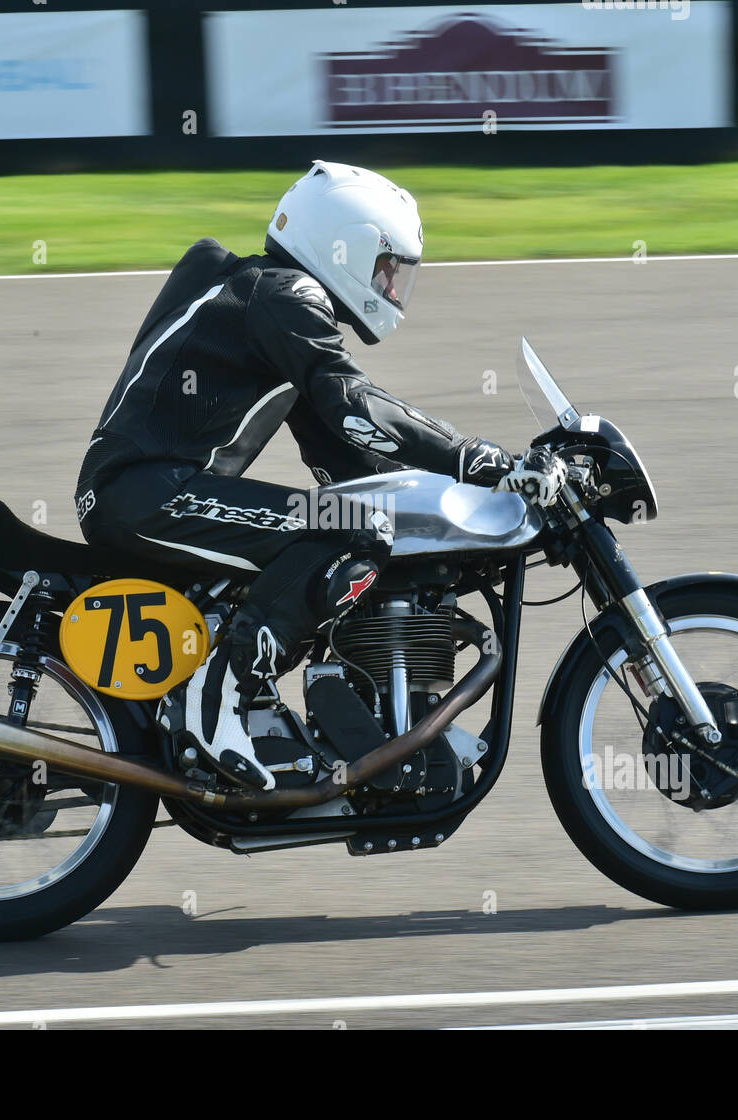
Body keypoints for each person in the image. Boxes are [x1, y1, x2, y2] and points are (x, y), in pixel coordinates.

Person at [75, 160, 554, 790]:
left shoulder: (267, 304)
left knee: (358, 519)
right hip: (147, 495)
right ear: (344, 244)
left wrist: (437, 506)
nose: (391, 286)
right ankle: (219, 694)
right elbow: (355, 407)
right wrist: (485, 462)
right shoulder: (284, 295)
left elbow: (347, 461)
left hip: (148, 491)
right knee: (351, 530)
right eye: (387, 267)